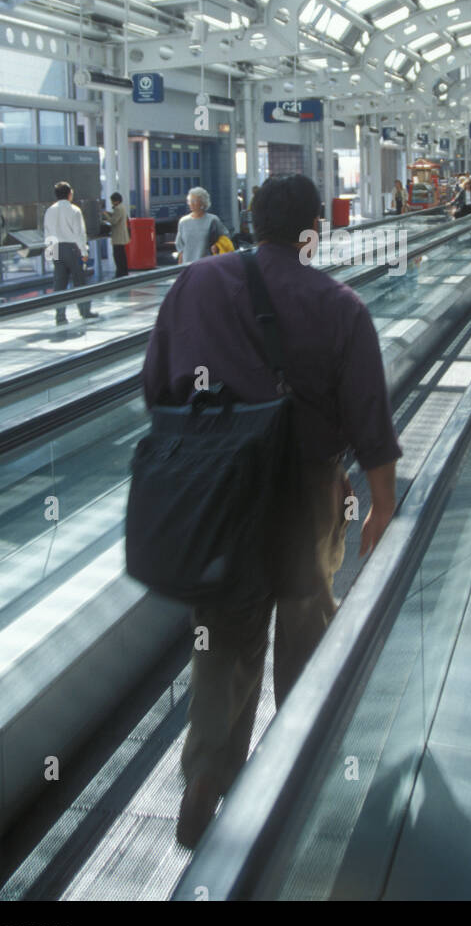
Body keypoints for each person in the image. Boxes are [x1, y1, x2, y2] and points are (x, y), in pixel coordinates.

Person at [142, 174, 401, 848]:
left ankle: (206, 776)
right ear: (315, 226)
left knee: (222, 632)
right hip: (307, 486)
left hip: (217, 485)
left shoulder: (195, 283)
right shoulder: (339, 304)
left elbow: (159, 381)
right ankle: (299, 761)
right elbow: (369, 413)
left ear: (250, 220)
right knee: (307, 616)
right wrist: (381, 503)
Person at [43, 181, 97, 324]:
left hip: (56, 248)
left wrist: (50, 256)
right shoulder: (74, 210)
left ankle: (60, 316)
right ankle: (85, 311)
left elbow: (48, 234)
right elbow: (79, 233)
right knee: (79, 281)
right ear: (69, 194)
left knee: (59, 283)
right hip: (73, 249)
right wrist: (84, 252)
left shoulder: (49, 210)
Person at [173, 187, 229, 264]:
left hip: (206, 265)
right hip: (188, 266)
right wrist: (179, 269)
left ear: (203, 202)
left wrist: (217, 246)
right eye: (189, 201)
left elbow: (225, 237)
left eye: (194, 201)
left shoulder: (212, 220)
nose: (191, 203)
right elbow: (180, 248)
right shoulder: (183, 221)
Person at [102, 191, 131, 278]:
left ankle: (120, 273)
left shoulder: (118, 208)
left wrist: (106, 216)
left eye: (112, 201)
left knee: (117, 255)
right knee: (122, 255)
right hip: (122, 235)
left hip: (118, 236)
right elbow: (117, 216)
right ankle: (124, 272)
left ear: (116, 201)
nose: (112, 203)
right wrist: (110, 213)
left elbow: (113, 221)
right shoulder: (122, 207)